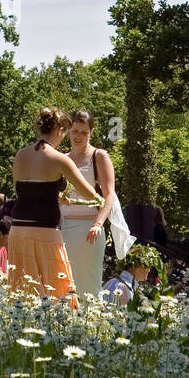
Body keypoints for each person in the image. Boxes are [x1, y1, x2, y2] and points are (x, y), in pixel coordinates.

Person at [9, 107, 102, 308]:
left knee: (23, 293)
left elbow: (24, 190)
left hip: (17, 231)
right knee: (58, 292)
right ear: (59, 129)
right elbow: (88, 193)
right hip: (45, 231)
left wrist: (57, 195)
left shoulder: (20, 155)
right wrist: (99, 198)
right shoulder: (60, 158)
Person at [63, 110, 133, 297]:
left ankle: (90, 323)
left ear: (91, 133)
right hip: (62, 228)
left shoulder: (98, 156)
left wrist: (98, 223)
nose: (78, 136)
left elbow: (109, 194)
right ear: (69, 130)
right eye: (75, 131)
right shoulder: (63, 158)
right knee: (63, 285)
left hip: (89, 230)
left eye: (84, 133)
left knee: (87, 286)